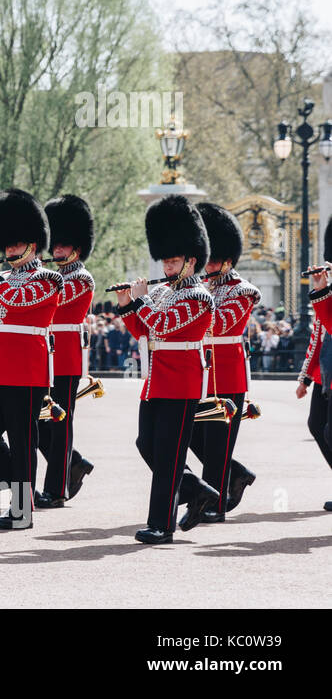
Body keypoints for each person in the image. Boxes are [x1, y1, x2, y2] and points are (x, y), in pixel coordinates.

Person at [116, 195, 221, 544]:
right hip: (156, 380)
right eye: (165, 262)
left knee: (168, 454)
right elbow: (144, 332)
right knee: (147, 443)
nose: (167, 268)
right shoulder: (163, 292)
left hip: (182, 381)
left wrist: (141, 301)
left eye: (174, 262)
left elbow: (162, 324)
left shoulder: (200, 296)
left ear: (191, 261)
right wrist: (126, 306)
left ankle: (162, 525)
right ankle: (197, 488)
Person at [0, 189, 59, 530]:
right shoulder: (1, 279)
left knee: (23, 442)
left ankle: (22, 509)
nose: (9, 251)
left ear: (33, 245)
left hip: (26, 370)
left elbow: (19, 302)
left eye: (16, 245)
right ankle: (15, 491)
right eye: (7, 245)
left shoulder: (49, 279)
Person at [192, 203, 260, 523]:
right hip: (200, 374)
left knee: (217, 446)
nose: (208, 266)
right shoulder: (201, 287)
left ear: (228, 260)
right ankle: (235, 474)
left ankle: (215, 506)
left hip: (228, 377)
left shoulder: (244, 291)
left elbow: (217, 326)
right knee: (192, 436)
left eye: (213, 259)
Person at [35, 194, 96, 508]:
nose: (56, 251)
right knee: (38, 421)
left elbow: (50, 302)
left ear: (77, 248)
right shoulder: (51, 276)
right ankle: (74, 463)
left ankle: (57, 489)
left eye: (62, 246)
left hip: (67, 357)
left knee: (59, 424)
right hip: (43, 356)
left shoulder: (81, 279)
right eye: (54, 245)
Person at [302, 218, 332, 512]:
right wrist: (305, 378)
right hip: (327, 372)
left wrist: (322, 292)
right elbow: (320, 336)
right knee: (317, 426)